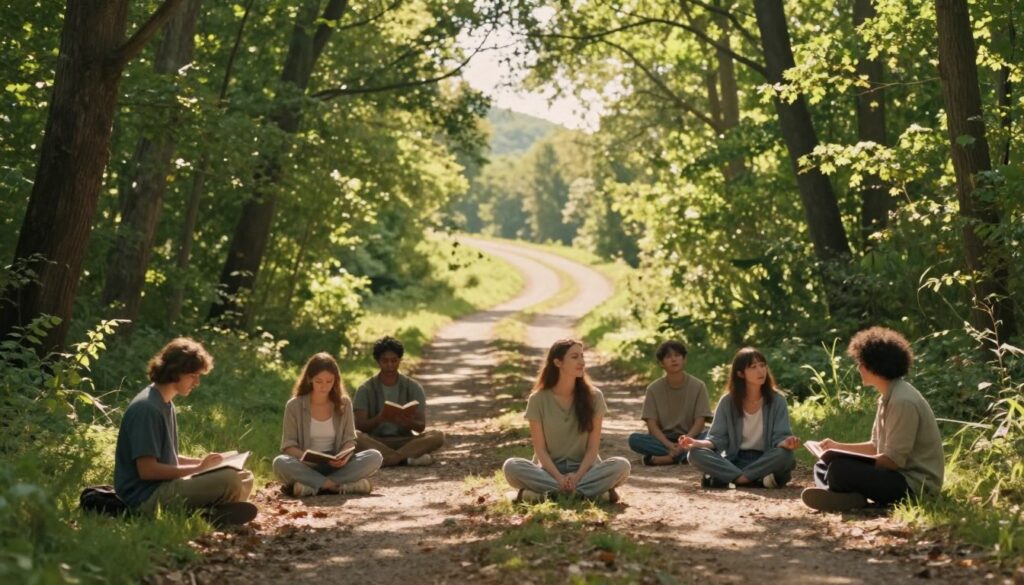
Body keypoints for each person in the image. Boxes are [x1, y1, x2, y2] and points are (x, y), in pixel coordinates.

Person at [113, 337, 257, 526]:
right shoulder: (147, 409)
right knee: (230, 480)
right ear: (175, 371)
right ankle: (207, 514)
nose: (197, 382)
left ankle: (206, 513)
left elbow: (168, 458)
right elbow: (148, 470)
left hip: (164, 487)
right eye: (192, 375)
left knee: (244, 476)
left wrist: (208, 464)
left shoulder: (165, 403)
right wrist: (198, 469)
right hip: (145, 498)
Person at [801, 327, 944, 512]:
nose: (858, 368)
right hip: (894, 475)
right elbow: (876, 446)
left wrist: (848, 462)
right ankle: (845, 497)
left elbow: (892, 461)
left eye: (861, 363)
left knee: (839, 470)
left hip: (913, 485)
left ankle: (841, 495)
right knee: (823, 465)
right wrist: (836, 447)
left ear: (876, 366)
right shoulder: (888, 396)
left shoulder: (902, 401)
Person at [502, 339, 631, 502]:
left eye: (582, 356)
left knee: (622, 465)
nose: (582, 362)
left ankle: (540, 495)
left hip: (585, 471)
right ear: (558, 362)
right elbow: (540, 450)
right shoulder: (538, 399)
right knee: (511, 466)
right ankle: (594, 495)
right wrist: (559, 479)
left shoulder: (595, 396)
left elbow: (592, 449)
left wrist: (576, 477)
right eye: (575, 357)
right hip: (548, 471)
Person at [684, 347, 800, 488]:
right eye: (753, 367)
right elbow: (717, 439)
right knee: (694, 453)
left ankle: (732, 478)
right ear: (740, 373)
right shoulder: (727, 401)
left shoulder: (777, 400)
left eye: (762, 365)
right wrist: (696, 443)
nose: (760, 371)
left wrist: (786, 443)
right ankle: (753, 479)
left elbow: (780, 437)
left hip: (765, 459)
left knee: (786, 456)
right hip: (735, 460)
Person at [273, 353, 383, 497]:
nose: (324, 386)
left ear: (335, 381)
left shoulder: (344, 403)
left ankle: (313, 487)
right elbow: (288, 446)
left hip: (337, 466)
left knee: (375, 456)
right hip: (307, 466)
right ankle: (337, 486)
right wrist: (307, 458)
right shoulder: (294, 406)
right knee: (280, 462)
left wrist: (343, 457)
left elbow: (349, 440)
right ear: (309, 379)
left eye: (329, 381)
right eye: (319, 381)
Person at [353, 336, 444, 467]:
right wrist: (380, 419)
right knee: (354, 437)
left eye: (394, 360)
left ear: (400, 360)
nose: (390, 365)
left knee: (437, 435)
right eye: (385, 361)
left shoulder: (413, 387)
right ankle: (405, 459)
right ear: (378, 361)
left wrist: (408, 422)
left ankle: (388, 459)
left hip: (405, 441)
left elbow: (421, 426)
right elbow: (359, 425)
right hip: (375, 441)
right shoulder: (365, 389)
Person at [628, 340, 712, 465]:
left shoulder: (698, 386)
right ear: (661, 363)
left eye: (677, 355)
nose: (674, 360)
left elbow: (700, 422)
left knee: (712, 436)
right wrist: (668, 444)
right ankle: (684, 457)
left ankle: (666, 458)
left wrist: (686, 442)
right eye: (668, 357)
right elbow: (652, 424)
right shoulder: (653, 389)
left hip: (691, 438)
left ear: (684, 359)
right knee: (634, 439)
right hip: (664, 439)